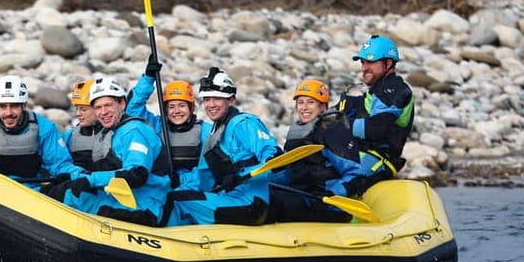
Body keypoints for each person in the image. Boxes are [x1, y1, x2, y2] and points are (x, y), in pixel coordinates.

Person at [163, 67, 281, 226]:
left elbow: (273, 158)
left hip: (252, 204)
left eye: (217, 99)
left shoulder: (244, 123)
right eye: (207, 99)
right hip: (227, 198)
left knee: (177, 201)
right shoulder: (213, 135)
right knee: (171, 196)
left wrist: (240, 175)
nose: (211, 105)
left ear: (230, 100)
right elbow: (203, 178)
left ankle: (165, 238)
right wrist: (171, 184)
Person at [49, 76, 171, 226]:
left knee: (70, 194)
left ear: (122, 104)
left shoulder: (134, 131)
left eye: (108, 105)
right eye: (98, 108)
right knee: (57, 189)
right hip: (121, 198)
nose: (103, 112)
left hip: (144, 207)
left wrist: (90, 179)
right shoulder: (113, 131)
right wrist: (75, 175)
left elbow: (137, 174)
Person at [267, 79, 386, 223]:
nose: (304, 107)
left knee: (274, 201)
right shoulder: (297, 132)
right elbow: (290, 171)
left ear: (323, 107)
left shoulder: (333, 131)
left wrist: (332, 192)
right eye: (300, 102)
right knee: (261, 194)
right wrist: (266, 178)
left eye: (310, 102)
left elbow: (355, 175)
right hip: (301, 194)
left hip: (328, 204)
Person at [338, 34, 415, 180]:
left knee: (331, 184)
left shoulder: (395, 90)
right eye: (363, 62)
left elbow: (377, 129)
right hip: (355, 152)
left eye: (370, 62)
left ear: (388, 63)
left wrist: (340, 125)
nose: (364, 68)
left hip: (377, 160)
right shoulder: (371, 92)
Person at [125, 62, 212, 188]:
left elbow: (208, 171)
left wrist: (179, 180)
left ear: (191, 107)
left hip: (191, 187)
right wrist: (148, 78)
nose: (177, 111)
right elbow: (132, 110)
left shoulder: (205, 131)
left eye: (182, 106)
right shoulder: (157, 126)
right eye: (171, 107)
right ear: (165, 110)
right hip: (161, 184)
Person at [62, 78, 100, 170]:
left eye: (83, 109)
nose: (78, 114)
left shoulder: (118, 133)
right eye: (77, 109)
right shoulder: (69, 136)